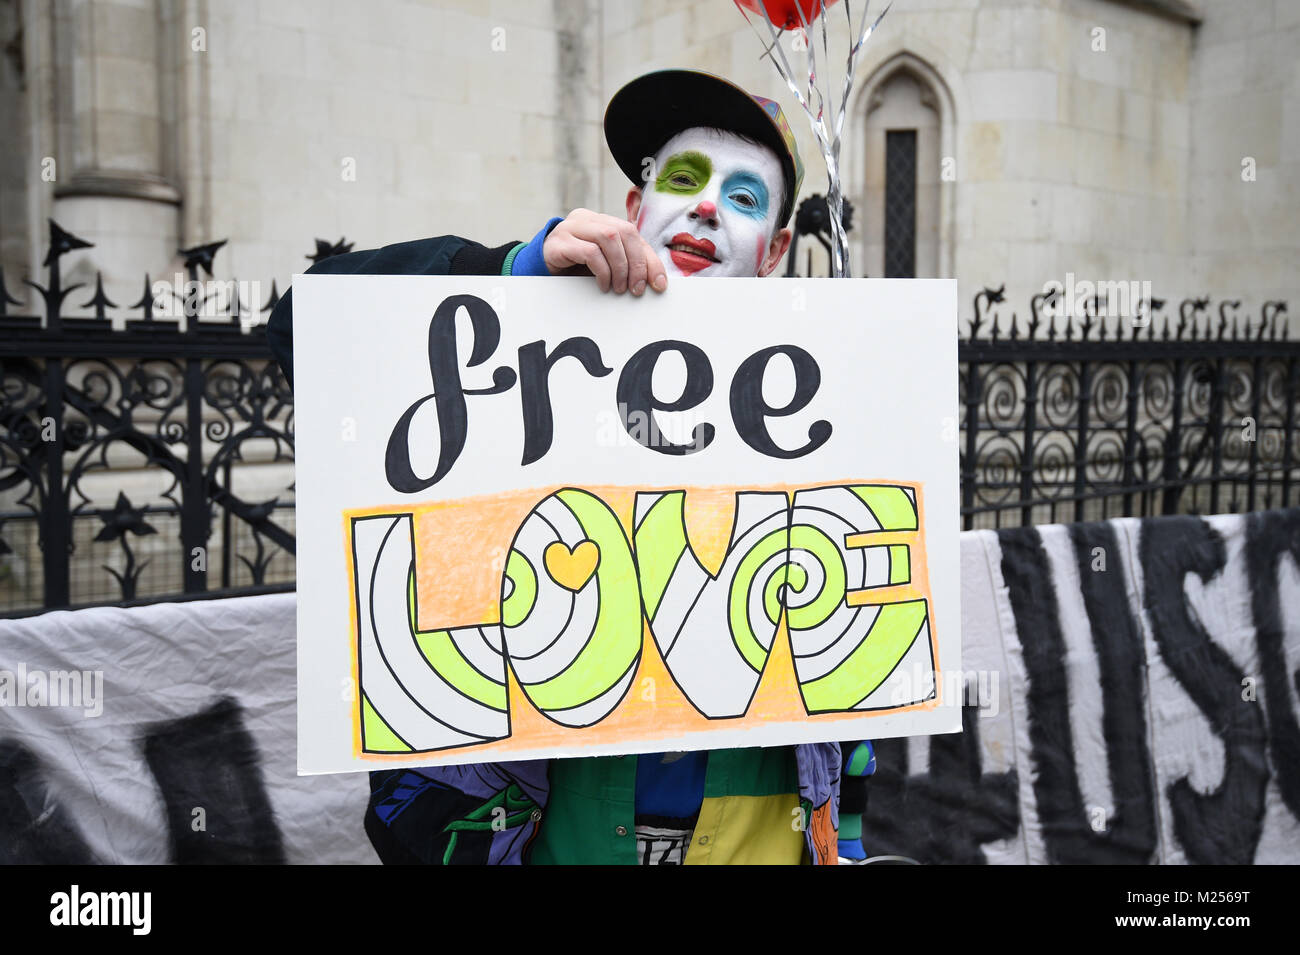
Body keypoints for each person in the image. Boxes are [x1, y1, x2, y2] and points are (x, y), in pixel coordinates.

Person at [268, 69, 848, 865]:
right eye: (686, 180)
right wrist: (511, 275)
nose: (709, 206)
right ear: (638, 209)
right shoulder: (522, 341)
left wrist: (843, 846)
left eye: (746, 198)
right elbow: (303, 322)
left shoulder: (827, 407)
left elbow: (856, 687)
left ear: (776, 250)